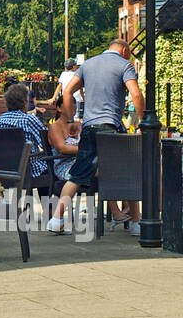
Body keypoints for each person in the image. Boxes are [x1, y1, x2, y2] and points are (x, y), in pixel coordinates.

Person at [48, 39, 144, 236]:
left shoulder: (88, 64)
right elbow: (135, 93)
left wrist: (69, 119)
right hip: (111, 127)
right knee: (128, 173)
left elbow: (67, 91)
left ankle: (56, 219)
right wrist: (142, 120)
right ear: (124, 50)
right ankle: (137, 223)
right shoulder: (125, 65)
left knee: (78, 174)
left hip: (90, 127)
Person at [0, 83, 49, 178]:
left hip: (7, 171)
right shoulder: (29, 120)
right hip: (30, 170)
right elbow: (46, 143)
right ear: (25, 102)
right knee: (50, 166)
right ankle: (45, 193)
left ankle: (14, 193)